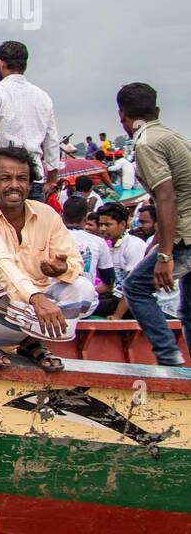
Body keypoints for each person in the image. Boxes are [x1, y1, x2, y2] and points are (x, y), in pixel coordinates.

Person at [0, 146, 94, 371]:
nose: (15, 185)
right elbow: (1, 262)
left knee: (82, 287)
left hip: (26, 319)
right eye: (6, 178)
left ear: (30, 185)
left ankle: (32, 342)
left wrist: (62, 269)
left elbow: (74, 261)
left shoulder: (47, 214)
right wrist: (37, 299)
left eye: (22, 178)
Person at [115, 83, 191, 364]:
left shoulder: (146, 143)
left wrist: (164, 255)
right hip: (185, 229)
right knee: (189, 309)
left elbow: (166, 198)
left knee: (135, 288)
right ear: (156, 110)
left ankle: (168, 356)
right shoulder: (172, 136)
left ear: (122, 116)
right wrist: (159, 244)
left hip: (186, 236)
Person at [0, 40, 60, 201]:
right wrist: (52, 179)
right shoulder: (42, 96)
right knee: (32, 226)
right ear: (24, 65)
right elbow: (52, 141)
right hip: (33, 177)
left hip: (2, 176)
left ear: (0, 63)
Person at [62, 195, 117, 313]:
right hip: (86, 309)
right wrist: (91, 290)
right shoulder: (98, 242)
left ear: (62, 215)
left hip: (55, 305)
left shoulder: (50, 237)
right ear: (85, 218)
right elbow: (109, 282)